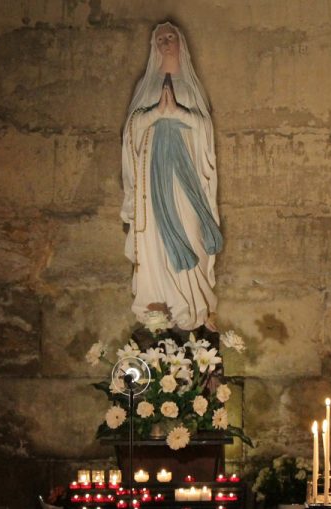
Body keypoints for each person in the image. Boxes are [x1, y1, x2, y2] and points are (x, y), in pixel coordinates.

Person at [121, 22, 222, 332]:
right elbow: (131, 131)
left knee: (191, 234)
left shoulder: (191, 87)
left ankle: (192, 308)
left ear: (181, 44)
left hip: (185, 181)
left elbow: (205, 132)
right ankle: (160, 313)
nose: (166, 42)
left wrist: (178, 113)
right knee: (154, 242)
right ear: (154, 45)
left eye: (171, 37)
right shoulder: (147, 87)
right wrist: (155, 114)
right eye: (160, 38)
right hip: (153, 183)